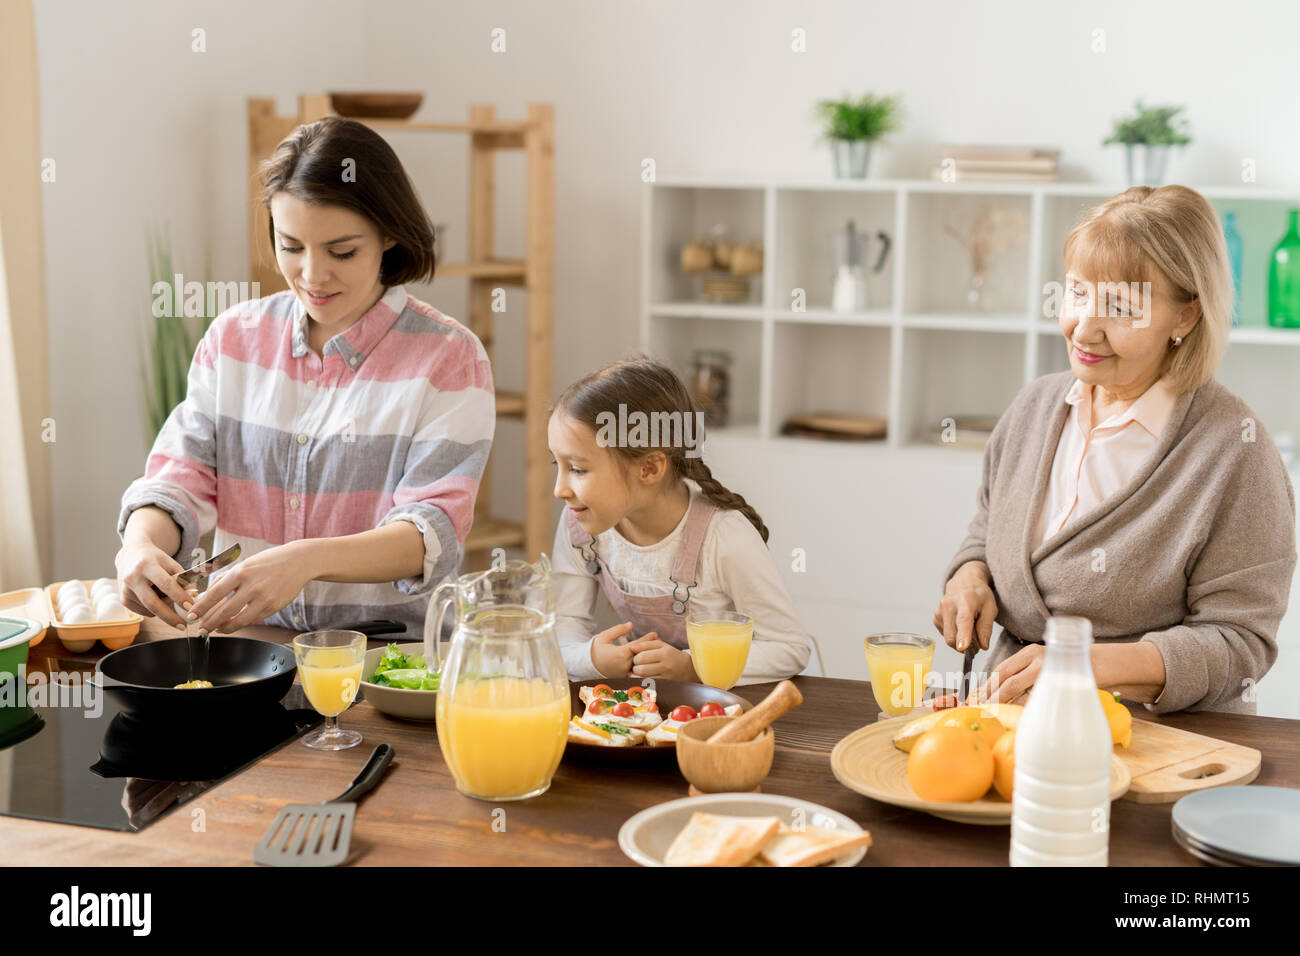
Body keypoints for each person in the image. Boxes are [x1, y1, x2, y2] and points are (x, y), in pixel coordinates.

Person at [115, 117, 494, 639]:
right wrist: (140, 545)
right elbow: (182, 475)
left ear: (388, 234)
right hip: (250, 649)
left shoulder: (449, 358)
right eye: (290, 246)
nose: (312, 275)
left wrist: (304, 561)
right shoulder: (234, 339)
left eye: (342, 251)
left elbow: (430, 531)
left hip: (385, 661)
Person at [936, 185, 1296, 714]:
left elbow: (1240, 644)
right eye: (1077, 292)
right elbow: (989, 527)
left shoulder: (1234, 450)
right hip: (1015, 723)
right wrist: (970, 576)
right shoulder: (1035, 407)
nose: (1084, 327)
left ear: (1185, 317)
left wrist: (1084, 664)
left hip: (1163, 747)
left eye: (1120, 307)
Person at [549, 357, 810, 684]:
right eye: (556, 464)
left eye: (577, 469)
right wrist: (592, 659)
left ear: (649, 469)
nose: (560, 489)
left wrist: (695, 666)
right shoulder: (581, 526)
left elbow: (789, 647)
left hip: (721, 715)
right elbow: (563, 627)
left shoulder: (724, 536)